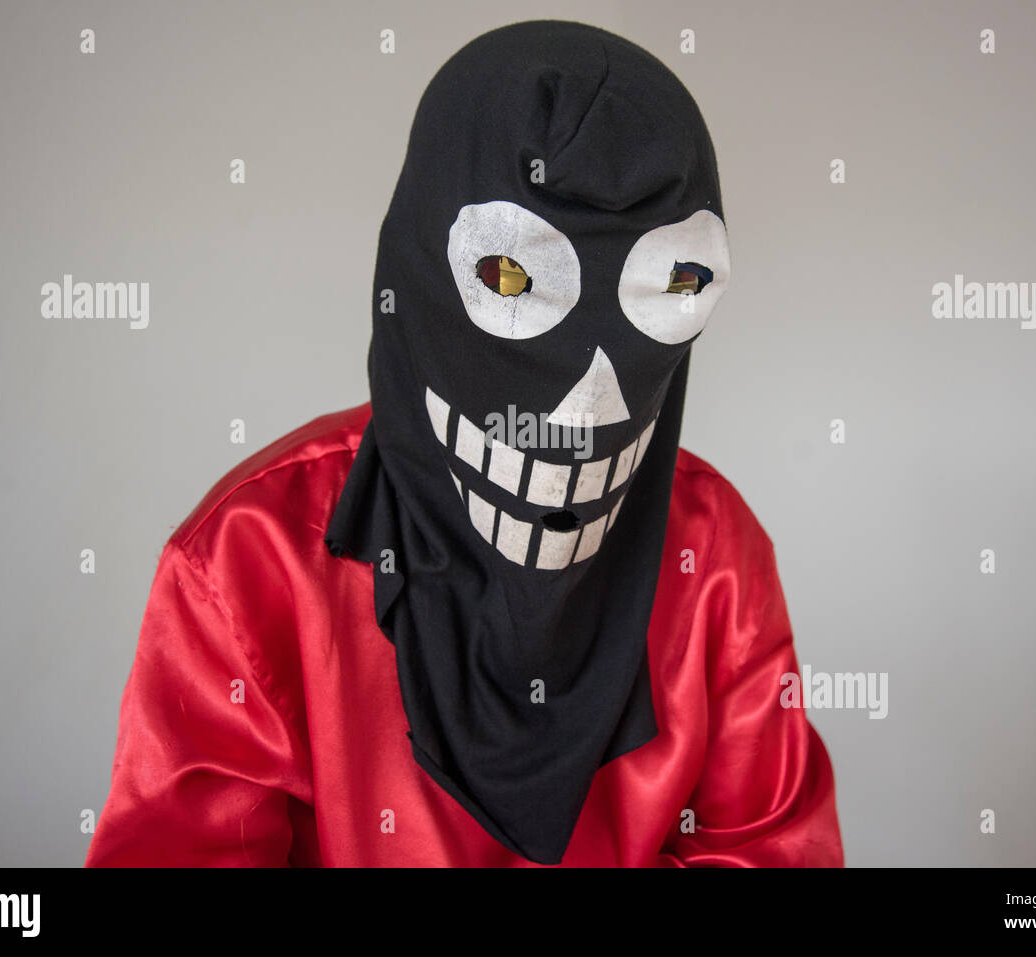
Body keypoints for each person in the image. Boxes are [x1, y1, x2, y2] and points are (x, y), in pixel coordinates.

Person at [85, 19, 844, 867]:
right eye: (510, 275)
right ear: (417, 272)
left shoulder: (715, 561)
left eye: (679, 280)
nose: (588, 406)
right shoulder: (249, 561)